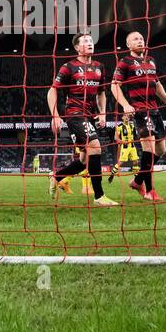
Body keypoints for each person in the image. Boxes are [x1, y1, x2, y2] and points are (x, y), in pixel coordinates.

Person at [47, 33, 117, 206]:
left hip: (90, 115)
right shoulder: (68, 67)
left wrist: (102, 113)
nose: (90, 43)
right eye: (85, 41)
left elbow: (101, 92)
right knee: (95, 147)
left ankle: (57, 176)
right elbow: (52, 90)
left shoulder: (99, 66)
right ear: (77, 47)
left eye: (91, 40)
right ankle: (99, 196)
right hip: (74, 114)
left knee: (85, 159)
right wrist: (55, 114)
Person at [110, 31, 166, 202]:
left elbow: (157, 84)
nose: (140, 41)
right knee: (148, 150)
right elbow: (114, 85)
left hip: (155, 110)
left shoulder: (151, 61)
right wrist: (126, 105)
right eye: (135, 39)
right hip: (140, 111)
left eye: (141, 38)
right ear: (128, 45)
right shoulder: (125, 62)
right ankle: (150, 191)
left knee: (161, 150)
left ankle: (137, 180)